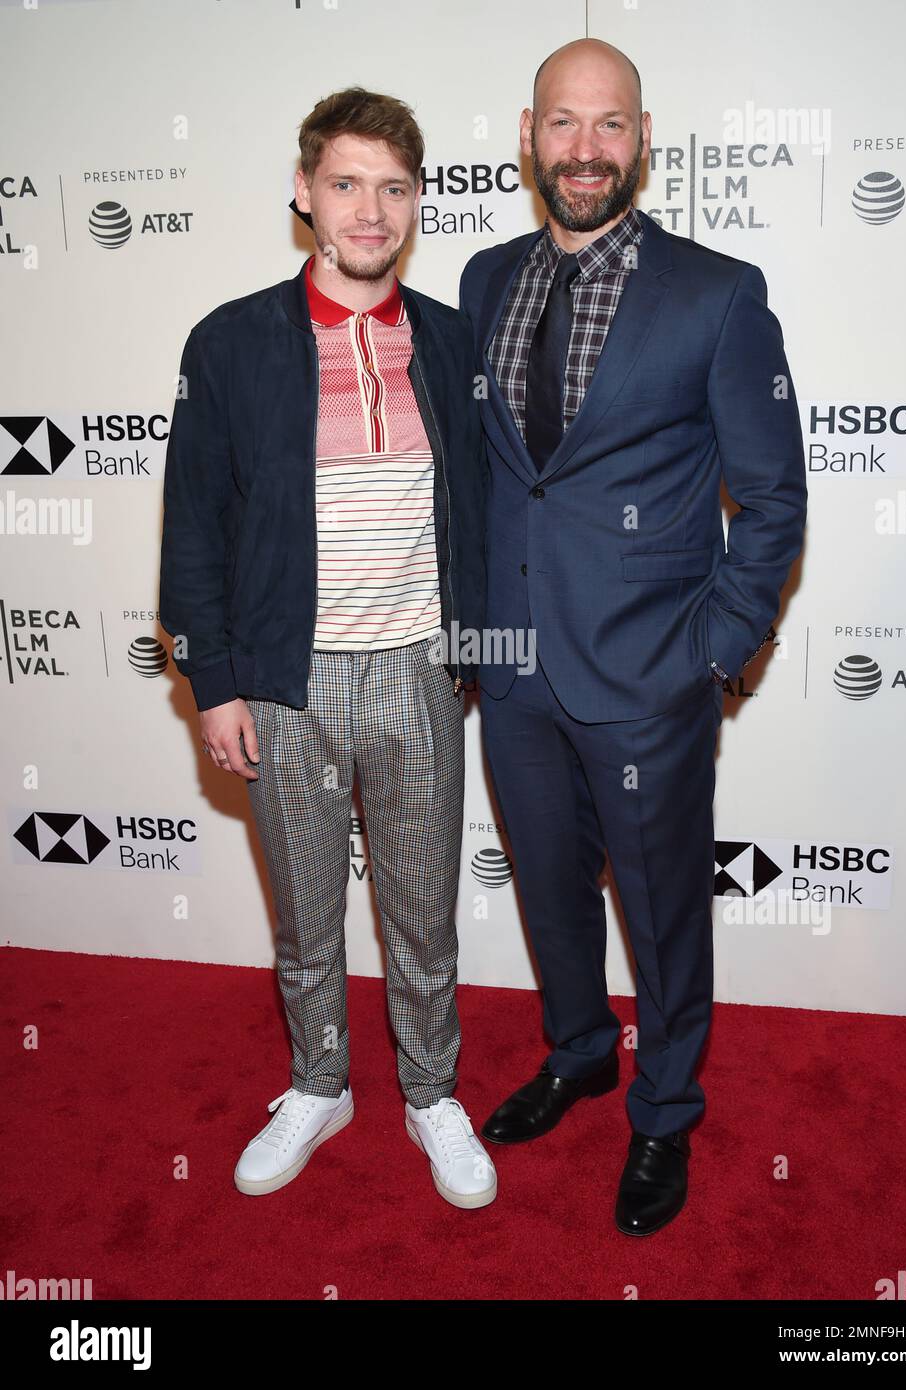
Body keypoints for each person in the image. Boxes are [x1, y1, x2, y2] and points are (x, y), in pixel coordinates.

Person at [459, 39, 807, 1235]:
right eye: (564, 122)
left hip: (647, 672)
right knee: (550, 891)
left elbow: (773, 502)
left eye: (611, 125)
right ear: (527, 134)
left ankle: (663, 1108)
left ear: (643, 139)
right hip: (510, 668)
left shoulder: (716, 293)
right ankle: (578, 1052)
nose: (586, 149)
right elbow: (501, 483)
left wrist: (712, 654)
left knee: (659, 910)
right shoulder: (484, 279)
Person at [159, 86, 495, 1210]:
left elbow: (494, 510)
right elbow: (195, 520)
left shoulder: (450, 339)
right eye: (345, 183)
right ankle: (319, 1083)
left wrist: (475, 655)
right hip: (285, 680)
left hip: (417, 673)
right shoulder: (232, 341)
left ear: (415, 201)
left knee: (423, 915)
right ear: (303, 192)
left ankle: (430, 1091)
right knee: (304, 916)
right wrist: (216, 682)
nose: (370, 209)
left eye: (393, 187)